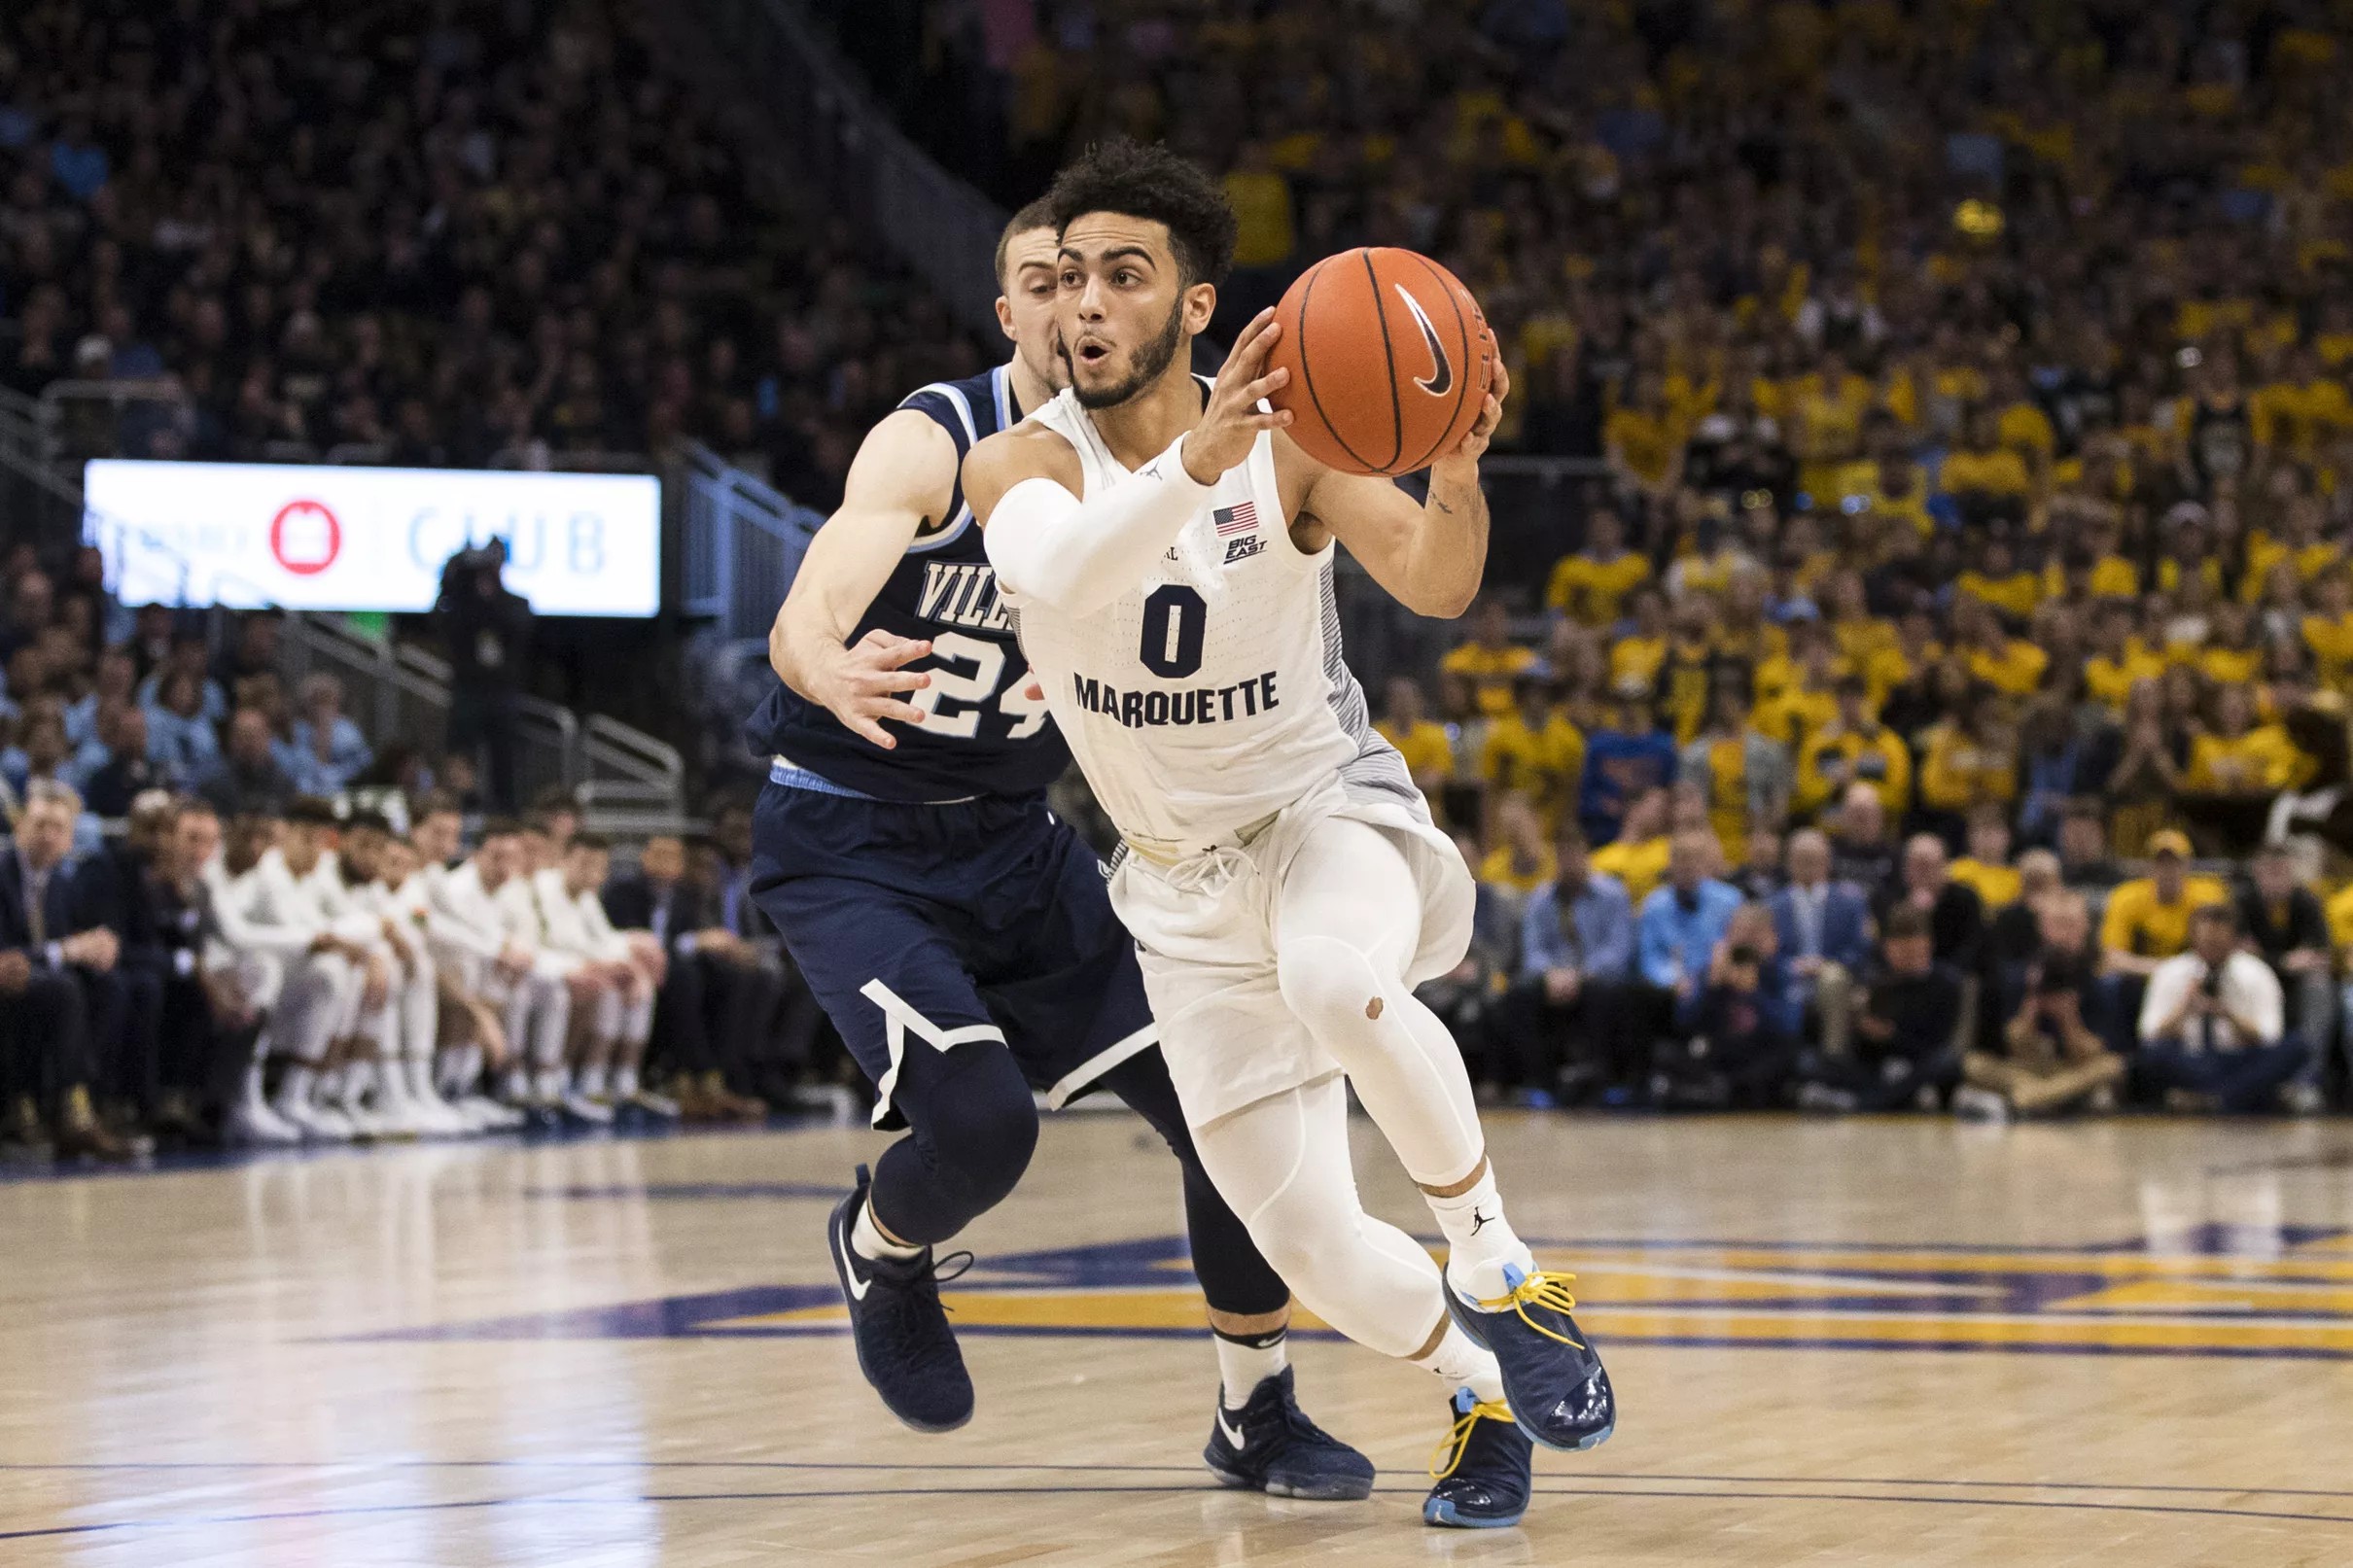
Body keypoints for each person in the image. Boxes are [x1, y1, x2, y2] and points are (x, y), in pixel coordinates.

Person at [963, 143, 1605, 1528]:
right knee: (1302, 1238)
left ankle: (1501, 1263)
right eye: (1067, 279)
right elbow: (1062, 573)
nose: (1086, 305)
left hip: (1325, 811)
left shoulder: (1298, 440)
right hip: (1181, 889)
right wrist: (1194, 461)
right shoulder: (1015, 463)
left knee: (1334, 975)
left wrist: (1457, 471)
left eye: (1124, 277)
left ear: (1198, 307)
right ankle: (1483, 1388)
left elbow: (1437, 583)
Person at [751, 191, 1370, 1501]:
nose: (1073, 306)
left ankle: (1254, 1410)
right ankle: (882, 1243)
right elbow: (808, 603)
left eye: (1097, 279)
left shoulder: (1160, 463)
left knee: (1223, 1112)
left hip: (1021, 846)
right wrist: (827, 666)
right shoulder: (938, 439)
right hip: (851, 837)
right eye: (1044, 282)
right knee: (983, 1128)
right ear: (1007, 310)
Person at [0, 781, 137, 1161]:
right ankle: (69, 1112)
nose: (47, 836)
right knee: (62, 989)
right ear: (19, 826)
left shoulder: (61, 883)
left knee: (111, 985)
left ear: (70, 839)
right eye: (39, 824)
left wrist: (97, 948)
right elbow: (9, 957)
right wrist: (67, 950)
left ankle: (96, 1103)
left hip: (37, 981)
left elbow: (56, 947)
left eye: (57, 828)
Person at [1488, 824, 1637, 1102]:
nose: (1569, 862)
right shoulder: (1541, 898)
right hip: (1554, 979)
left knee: (1610, 993)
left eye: (1574, 854)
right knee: (1520, 994)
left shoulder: (1613, 895)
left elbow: (1617, 951)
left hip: (1595, 979)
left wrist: (1580, 976)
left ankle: (1604, 1080)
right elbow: (1533, 951)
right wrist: (1551, 974)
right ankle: (1538, 1082)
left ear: (1586, 854)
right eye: (1563, 855)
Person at [1956, 890, 2125, 1121]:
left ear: (2086, 927)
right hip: (2025, 1069)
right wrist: (2031, 1009)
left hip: (2071, 1068)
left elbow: (2094, 1051)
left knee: (2112, 1067)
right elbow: (2013, 1044)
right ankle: (2051, 1098)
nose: (2065, 934)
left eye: (2072, 924)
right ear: (2042, 927)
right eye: (2058, 923)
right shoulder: (2018, 975)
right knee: (1972, 1064)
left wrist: (2069, 1020)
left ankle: (2029, 1098)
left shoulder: (2098, 981)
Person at [2137, 904, 2304, 1113]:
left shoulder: (2256, 973)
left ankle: (2212, 1098)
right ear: (2193, 940)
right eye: (2206, 943)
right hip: (2191, 1060)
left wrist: (2228, 1015)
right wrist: (2184, 1009)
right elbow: (2148, 1033)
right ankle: (2236, 1096)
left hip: (2239, 1059)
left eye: (2219, 944)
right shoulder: (2170, 972)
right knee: (2152, 1055)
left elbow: (2271, 1036)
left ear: (2234, 941)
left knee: (2297, 1046)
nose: (2211, 950)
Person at [1798, 906, 1967, 1112]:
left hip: (1919, 1062)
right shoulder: (1878, 981)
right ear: (1887, 949)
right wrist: (1860, 1024)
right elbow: (1863, 1051)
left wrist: (1892, 1035)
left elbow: (1936, 1043)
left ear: (1927, 945)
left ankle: (1863, 1103)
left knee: (1946, 1062)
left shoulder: (1946, 984)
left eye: (1912, 949)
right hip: (1880, 1067)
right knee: (1810, 1063)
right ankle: (1894, 1098)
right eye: (1900, 950)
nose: (1906, 956)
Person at [2234, 844, 2333, 1114]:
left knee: (2319, 986)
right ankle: (2249, 1079)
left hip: (2294, 987)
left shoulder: (2306, 901)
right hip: (2252, 983)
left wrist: (2268, 958)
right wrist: (2284, 961)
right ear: (2257, 872)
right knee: (2239, 976)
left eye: (2283, 872)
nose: (2277, 879)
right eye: (2270, 872)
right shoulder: (2243, 902)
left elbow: (2318, 956)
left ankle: (2306, 1082)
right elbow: (2239, 953)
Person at [434, 540, 531, 811]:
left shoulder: (514, 604)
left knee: (506, 757)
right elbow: (443, 621)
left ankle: (506, 809)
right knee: (461, 754)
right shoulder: (461, 605)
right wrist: (452, 578)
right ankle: (462, 804)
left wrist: (492, 596)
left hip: (502, 691)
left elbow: (519, 631)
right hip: (468, 689)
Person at [1768, 828, 1871, 1056]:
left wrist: (1823, 964)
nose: (1808, 866)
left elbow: (1859, 949)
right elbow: (1767, 953)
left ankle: (1832, 1059)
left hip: (1832, 975)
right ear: (1789, 862)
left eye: (1814, 860)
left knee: (1832, 979)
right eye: (1801, 860)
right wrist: (1792, 966)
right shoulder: (1773, 906)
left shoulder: (1850, 902)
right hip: (1789, 975)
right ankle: (1783, 1062)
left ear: (1827, 862)